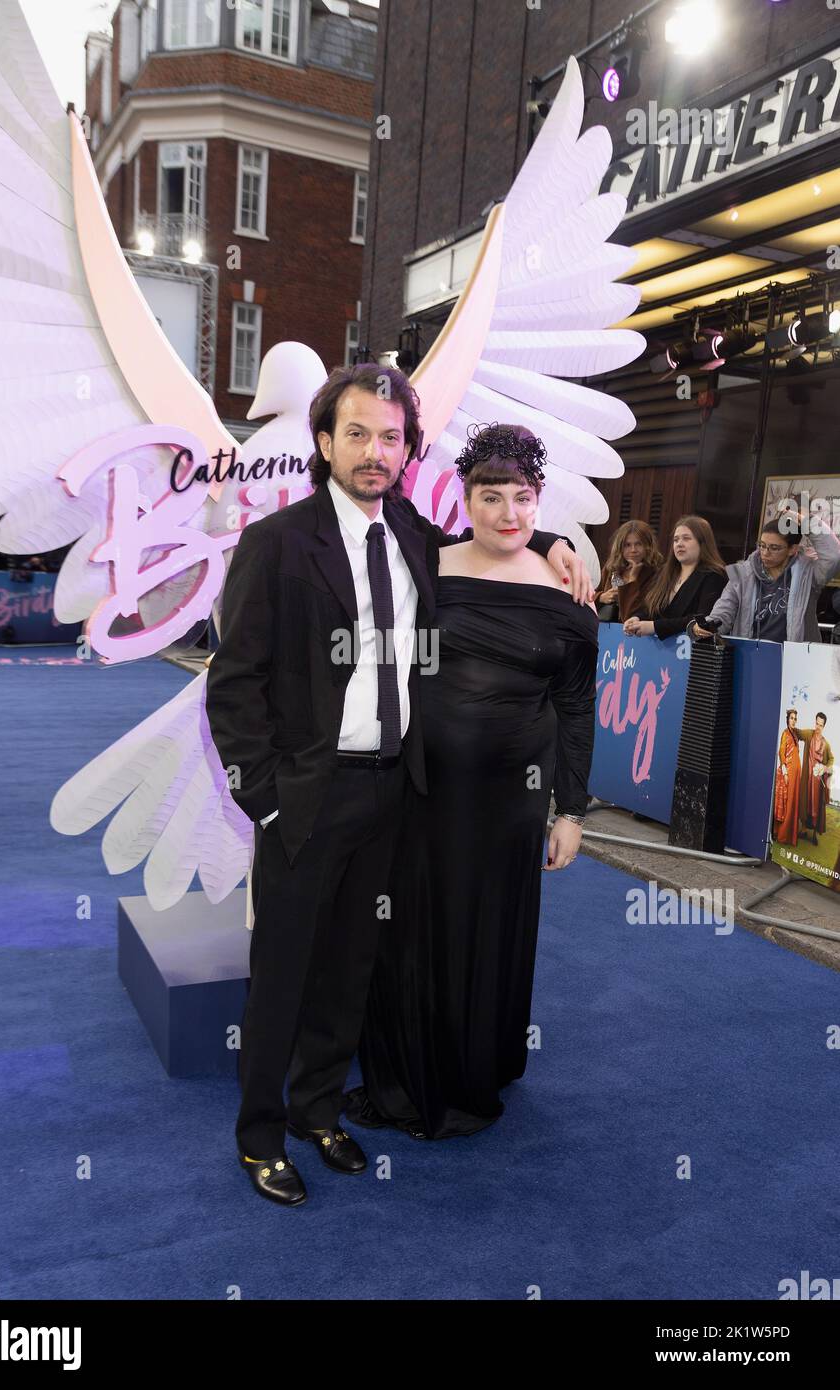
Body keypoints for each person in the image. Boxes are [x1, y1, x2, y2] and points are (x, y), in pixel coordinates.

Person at [204, 365, 590, 1206]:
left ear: (409, 452)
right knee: (283, 974)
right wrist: (264, 796)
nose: (374, 451)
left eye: (390, 437)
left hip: (394, 795)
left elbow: (502, 524)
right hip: (304, 796)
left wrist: (558, 538)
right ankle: (260, 1134)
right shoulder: (276, 544)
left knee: (350, 969)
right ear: (324, 443)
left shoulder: (415, 536)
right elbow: (233, 687)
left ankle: (316, 1112)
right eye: (357, 434)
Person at [343, 422, 598, 1141]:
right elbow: (374, 489)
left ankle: (476, 1065)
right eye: (492, 497)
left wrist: (571, 810)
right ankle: (409, 1070)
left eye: (524, 499)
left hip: (512, 801)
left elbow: (578, 704)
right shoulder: (429, 557)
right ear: (465, 497)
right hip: (420, 788)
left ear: (540, 499)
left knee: (489, 926)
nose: (509, 515)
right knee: (417, 928)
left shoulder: (568, 585)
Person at [690, 513, 840, 643]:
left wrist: (807, 522)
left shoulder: (808, 575)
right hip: (751, 656)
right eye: (762, 545)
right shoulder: (743, 573)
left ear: (792, 550)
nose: (765, 553)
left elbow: (834, 556)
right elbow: (724, 611)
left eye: (774, 548)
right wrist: (707, 626)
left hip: (793, 660)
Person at [622, 516, 727, 639]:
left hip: (689, 651)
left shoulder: (714, 575)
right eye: (676, 540)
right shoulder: (664, 572)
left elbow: (704, 618)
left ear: (702, 542)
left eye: (686, 539)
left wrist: (655, 626)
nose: (679, 544)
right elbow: (649, 607)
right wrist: (637, 617)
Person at [595, 520, 661, 623]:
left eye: (638, 544)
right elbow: (586, 598)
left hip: (633, 634)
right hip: (605, 632)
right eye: (627, 545)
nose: (633, 550)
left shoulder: (655, 574)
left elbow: (630, 615)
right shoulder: (611, 569)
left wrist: (632, 580)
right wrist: (601, 597)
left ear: (648, 546)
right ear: (620, 547)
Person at [797, 713, 833, 847]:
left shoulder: (826, 744)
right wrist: (791, 726)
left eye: (821, 725)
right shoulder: (809, 734)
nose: (818, 727)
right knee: (805, 803)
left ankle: (814, 836)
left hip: (818, 782)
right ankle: (804, 830)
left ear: (824, 726)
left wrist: (825, 768)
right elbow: (799, 733)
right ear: (815, 722)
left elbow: (831, 759)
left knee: (816, 807)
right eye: (817, 723)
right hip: (807, 779)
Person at [773, 709, 801, 846]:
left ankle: (790, 836)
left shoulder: (795, 735)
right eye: (791, 718)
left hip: (796, 776)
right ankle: (782, 836)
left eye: (795, 718)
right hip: (788, 773)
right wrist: (784, 772)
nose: (794, 720)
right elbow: (781, 753)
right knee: (786, 805)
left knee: (793, 805)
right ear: (787, 719)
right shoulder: (785, 733)